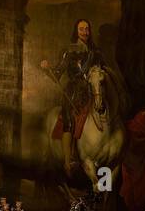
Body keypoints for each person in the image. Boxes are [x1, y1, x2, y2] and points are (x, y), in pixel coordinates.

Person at [42, 18, 107, 177]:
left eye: (87, 29)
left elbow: (103, 70)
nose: (85, 32)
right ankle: (68, 161)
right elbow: (57, 74)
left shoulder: (96, 51)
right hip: (74, 92)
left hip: (93, 91)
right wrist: (46, 68)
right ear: (76, 31)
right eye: (81, 29)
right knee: (69, 121)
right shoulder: (69, 50)